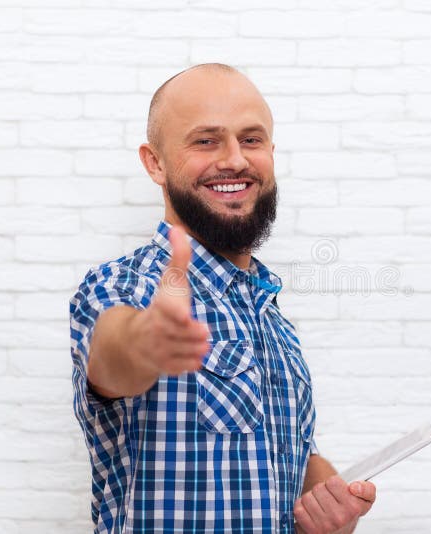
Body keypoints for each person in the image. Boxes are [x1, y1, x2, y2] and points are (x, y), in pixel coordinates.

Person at [69, 63, 376, 533]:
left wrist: (328, 507)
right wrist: (146, 340)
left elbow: (291, 458)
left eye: (251, 140)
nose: (234, 159)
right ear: (155, 162)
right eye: (206, 140)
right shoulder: (124, 288)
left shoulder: (275, 321)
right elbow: (112, 361)